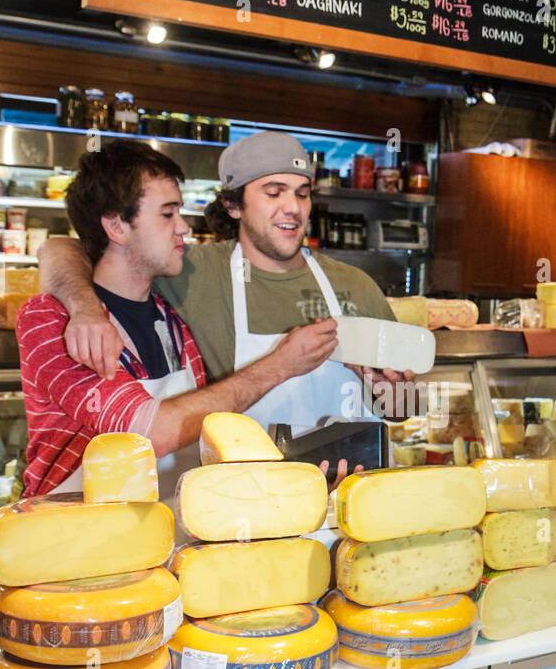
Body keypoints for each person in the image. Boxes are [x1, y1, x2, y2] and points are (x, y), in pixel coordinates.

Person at [19, 139, 344, 497]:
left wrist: (296, 481)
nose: (183, 228)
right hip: (73, 541)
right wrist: (281, 365)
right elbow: (148, 434)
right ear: (116, 227)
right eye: (167, 213)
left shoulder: (173, 316)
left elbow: (204, 441)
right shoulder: (53, 321)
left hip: (174, 541)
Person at [38, 131, 414, 438]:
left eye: (302, 193)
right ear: (234, 206)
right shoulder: (190, 271)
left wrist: (395, 399)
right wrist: (83, 305)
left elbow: (406, 410)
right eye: (274, 192)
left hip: (343, 506)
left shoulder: (357, 285)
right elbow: (65, 249)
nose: (294, 208)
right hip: (239, 510)